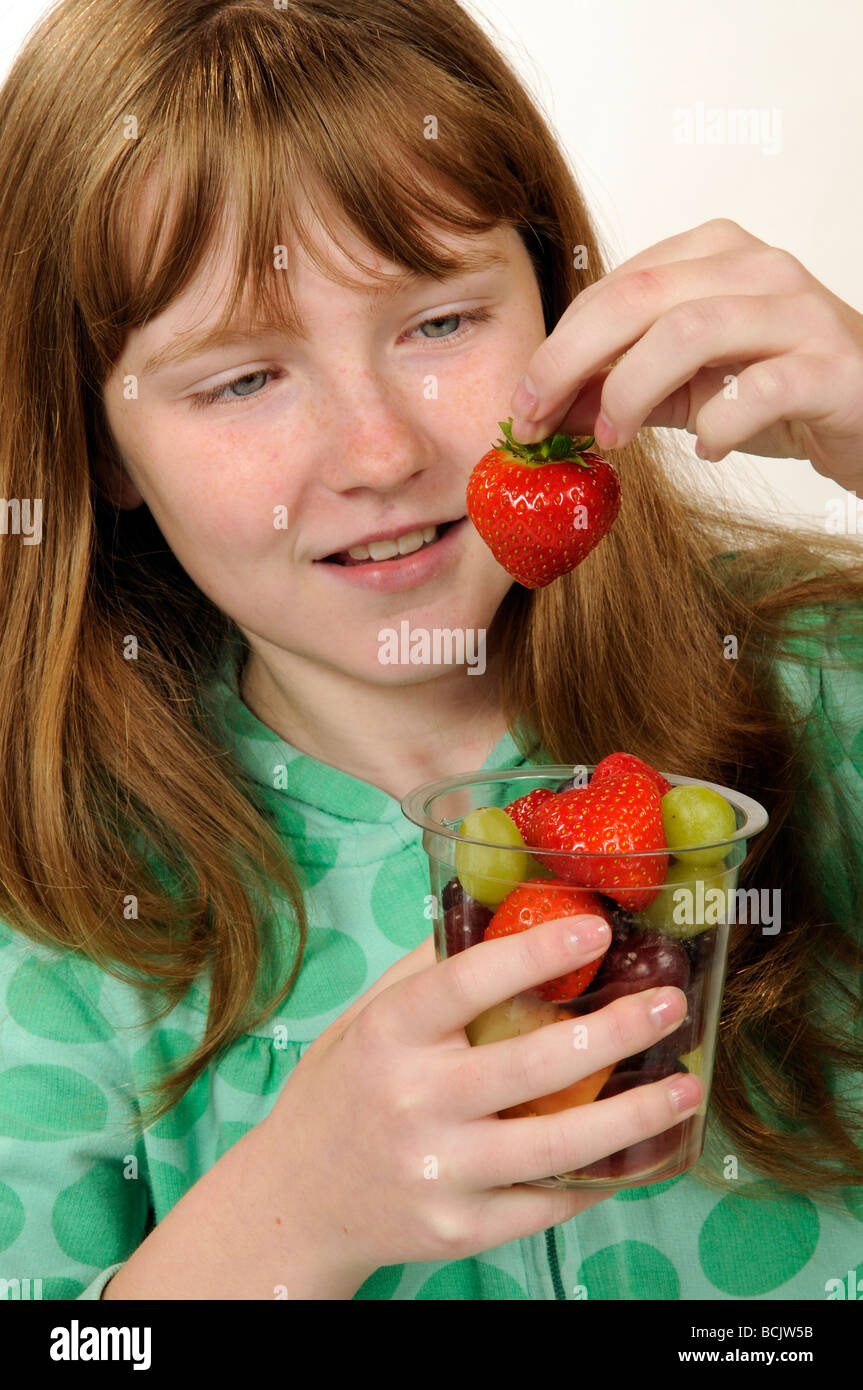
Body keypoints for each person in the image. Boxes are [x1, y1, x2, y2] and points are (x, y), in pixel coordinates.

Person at [0, 0, 861, 1302]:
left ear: (563, 307)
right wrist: (287, 1222)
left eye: (440, 324)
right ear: (102, 446)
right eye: (241, 380)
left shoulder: (829, 686)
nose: (381, 453)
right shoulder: (49, 911)